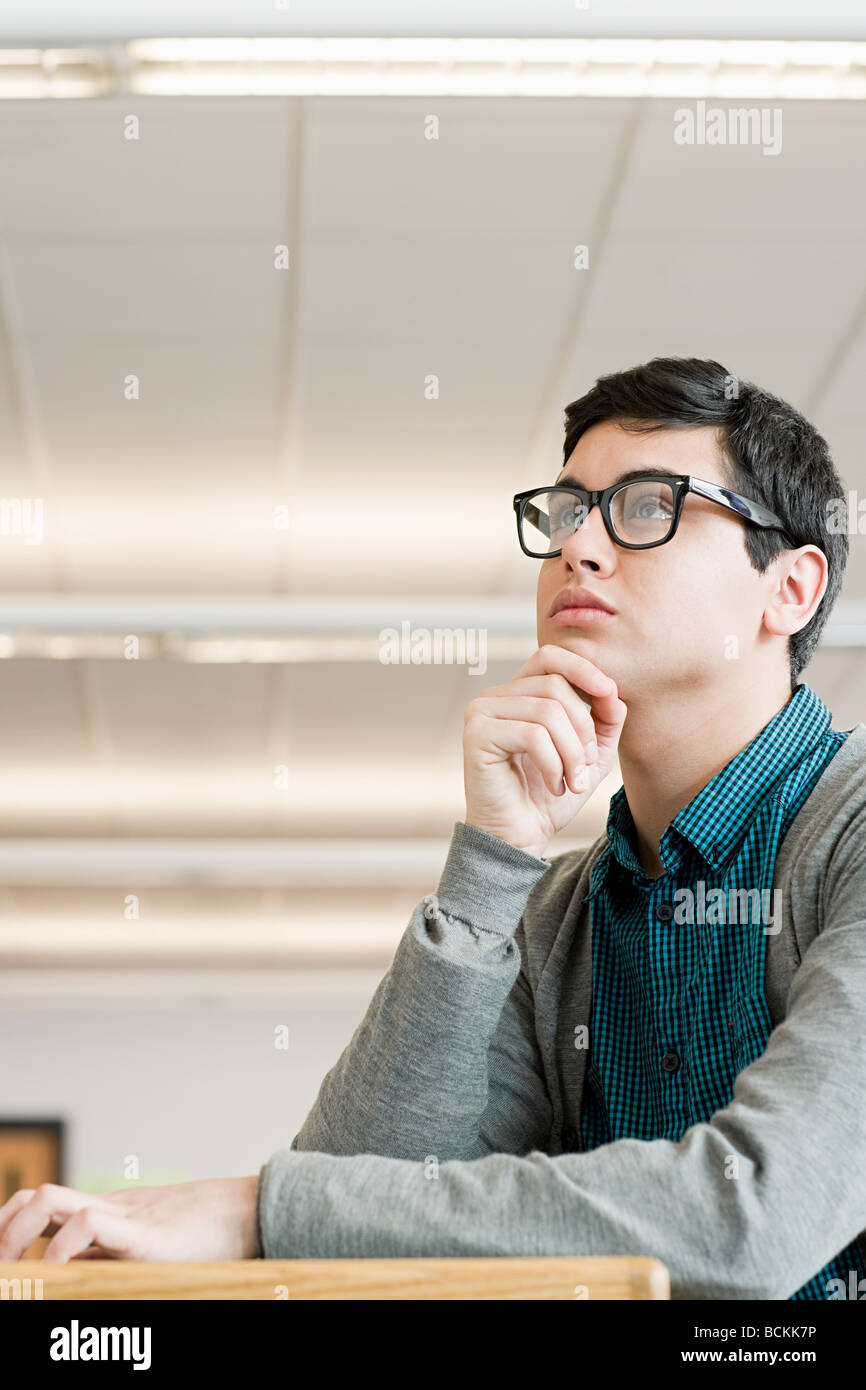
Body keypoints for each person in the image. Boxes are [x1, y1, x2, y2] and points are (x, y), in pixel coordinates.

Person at [2, 357, 864, 1300]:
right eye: (568, 511)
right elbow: (354, 1209)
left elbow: (751, 1220)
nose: (580, 547)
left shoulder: (848, 834)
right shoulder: (558, 915)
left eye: (649, 506)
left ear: (791, 587)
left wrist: (257, 1209)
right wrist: (494, 864)